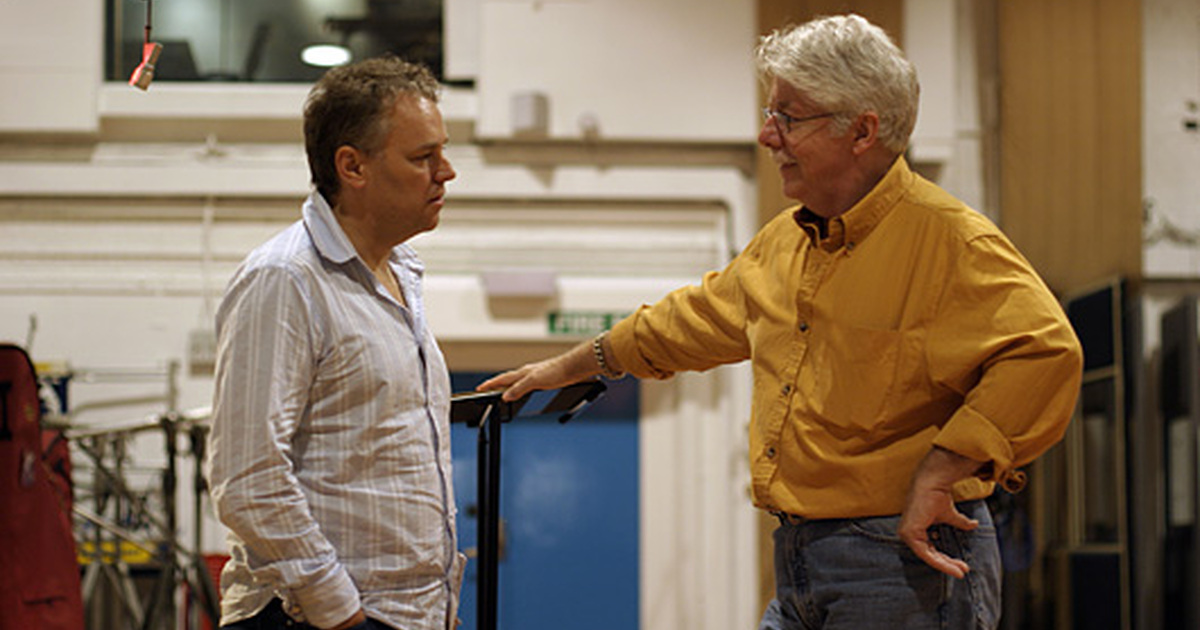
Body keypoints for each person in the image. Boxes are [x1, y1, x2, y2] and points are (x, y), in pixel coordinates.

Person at [477, 14, 1083, 630]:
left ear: (862, 130)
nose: (767, 136)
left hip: (907, 560)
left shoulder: (950, 240)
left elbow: (1045, 353)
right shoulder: (784, 243)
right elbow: (687, 321)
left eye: (789, 117)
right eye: (772, 114)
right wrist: (571, 365)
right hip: (802, 558)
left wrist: (944, 468)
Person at [206, 56, 463, 630]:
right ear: (352, 166)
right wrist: (338, 610)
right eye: (423, 156)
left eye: (441, 152)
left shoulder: (401, 272)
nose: (446, 172)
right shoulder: (285, 278)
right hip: (316, 620)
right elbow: (247, 478)